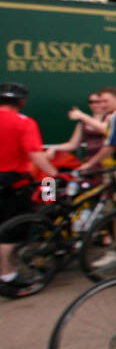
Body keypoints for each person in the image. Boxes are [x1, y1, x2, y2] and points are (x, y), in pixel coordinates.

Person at [0, 83, 59, 291]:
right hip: (11, 184)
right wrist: (53, 174)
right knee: (11, 233)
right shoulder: (23, 123)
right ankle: (7, 276)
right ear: (21, 102)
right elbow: (35, 155)